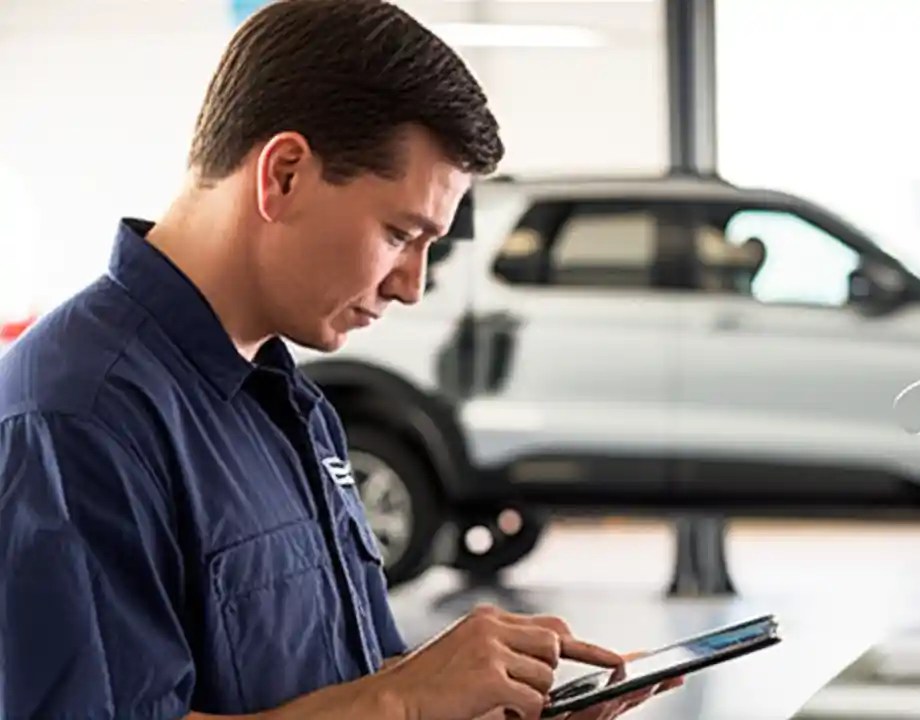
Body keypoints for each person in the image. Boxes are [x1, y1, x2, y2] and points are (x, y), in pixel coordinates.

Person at [0, 1, 679, 718]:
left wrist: (482, 701)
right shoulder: (75, 421)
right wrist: (404, 699)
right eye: (399, 234)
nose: (411, 286)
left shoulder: (291, 404)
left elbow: (337, 685)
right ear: (284, 174)